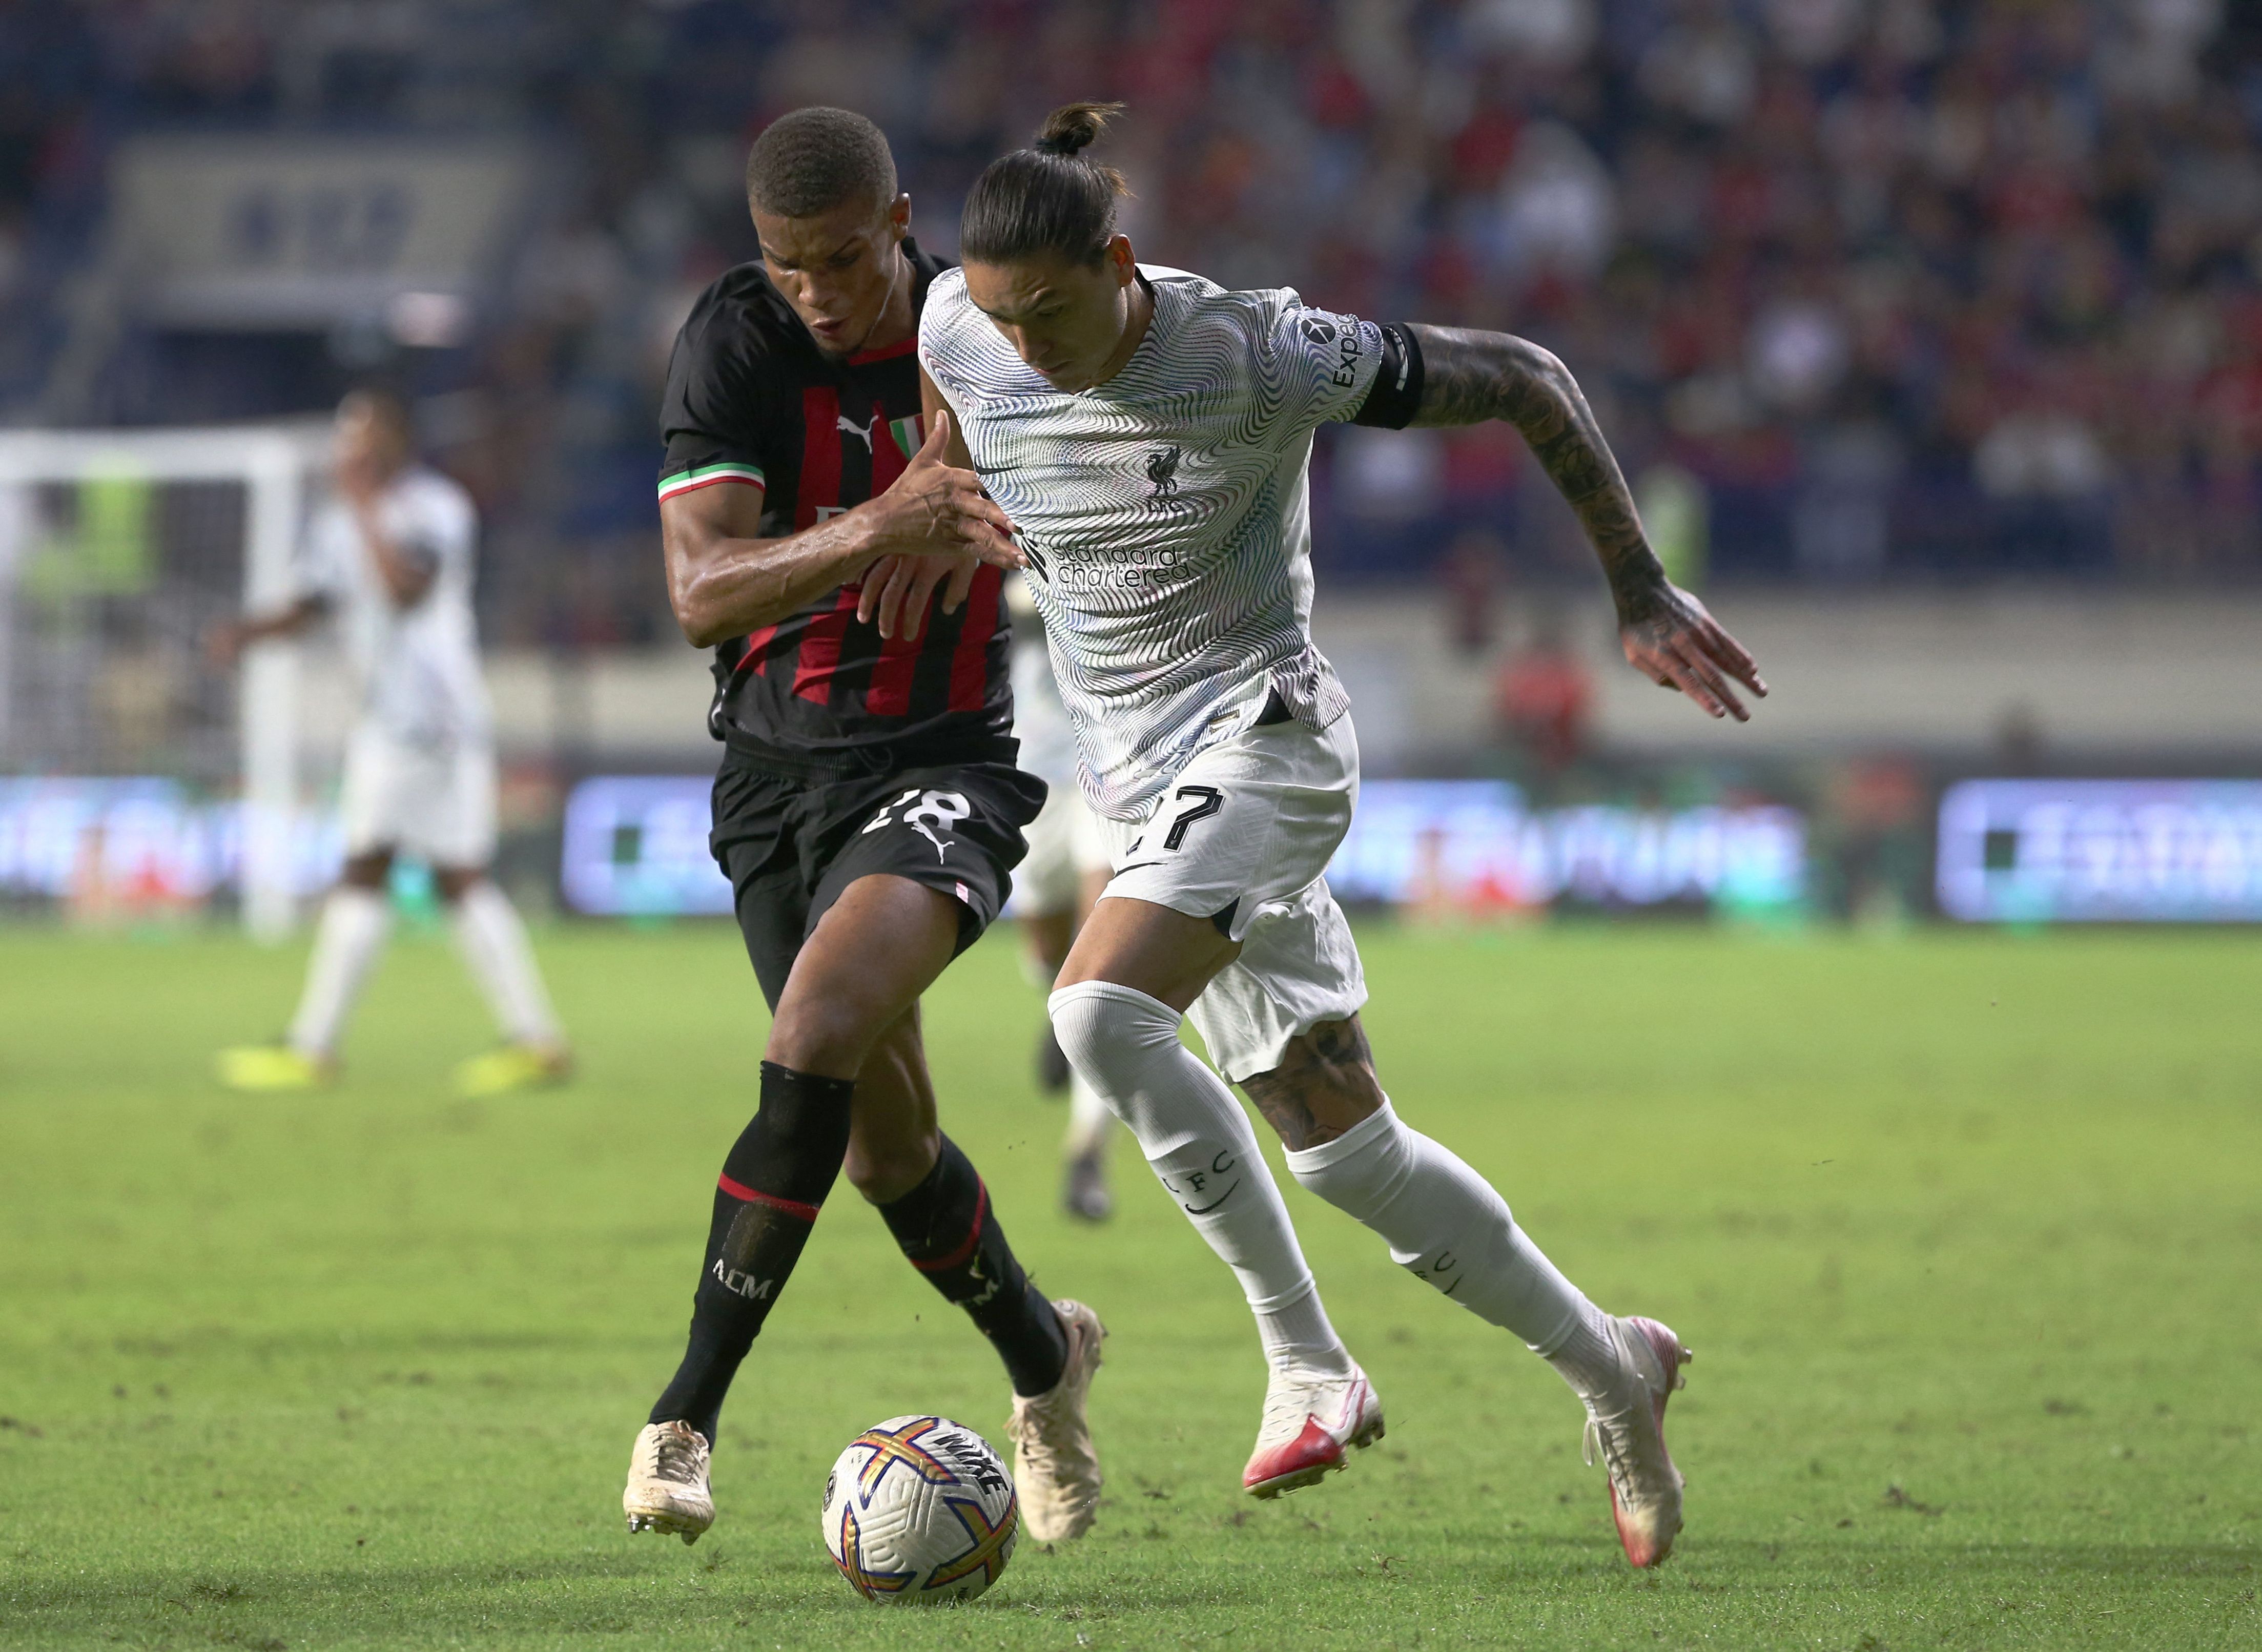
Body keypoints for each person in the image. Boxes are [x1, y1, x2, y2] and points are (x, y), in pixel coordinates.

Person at [903, 103, 1767, 1569]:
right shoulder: (957, 327)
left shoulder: (1254, 353)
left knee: (1098, 1018)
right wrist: (932, 513)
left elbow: (1524, 376)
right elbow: (957, 419)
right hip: (1136, 782)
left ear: (1118, 259)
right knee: (1342, 1150)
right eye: (1003, 317)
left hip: (1267, 736)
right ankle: (1612, 1365)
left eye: (1051, 310)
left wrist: (1633, 588)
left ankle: (1306, 1361)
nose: (1026, 345)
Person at [621, 107, 1102, 1550]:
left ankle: (682, 1416)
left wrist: (999, 495)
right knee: (887, 1144)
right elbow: (702, 594)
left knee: (812, 1031)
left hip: (947, 761)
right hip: (775, 779)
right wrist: (883, 523)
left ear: (900, 227)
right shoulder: (733, 343)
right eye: (787, 265)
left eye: (841, 259)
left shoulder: (983, 330)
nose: (816, 290)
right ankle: (1043, 1358)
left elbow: (1082, 447)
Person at [211, 389, 570, 1098]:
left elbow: (406, 588)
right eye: (346, 434)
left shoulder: (434, 506)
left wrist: (364, 507)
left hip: (430, 721)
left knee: (375, 869)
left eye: (365, 432)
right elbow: (317, 602)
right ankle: (536, 1039)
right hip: (391, 720)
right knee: (450, 878)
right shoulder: (338, 521)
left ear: (397, 439)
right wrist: (246, 635)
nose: (352, 447)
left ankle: (314, 1048)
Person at [1004, 573, 1118, 1220]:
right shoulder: (1018, 514)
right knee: (1048, 949)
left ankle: (1085, 1155)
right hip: (1035, 776)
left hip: (1110, 770)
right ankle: (1058, 1004)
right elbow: (1016, 615)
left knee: (1099, 966)